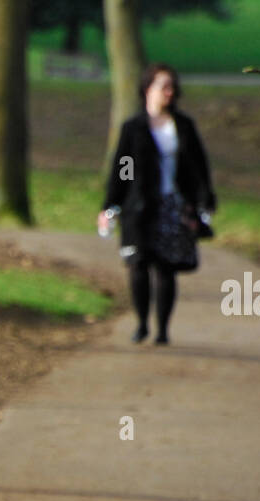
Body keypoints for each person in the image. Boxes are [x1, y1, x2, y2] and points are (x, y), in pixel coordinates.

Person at [99, 63, 215, 345]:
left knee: (166, 267)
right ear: (147, 89)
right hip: (138, 207)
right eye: (163, 86)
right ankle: (141, 324)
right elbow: (121, 168)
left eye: (172, 87)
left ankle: (162, 329)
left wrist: (203, 202)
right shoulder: (133, 128)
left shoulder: (183, 127)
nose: (169, 92)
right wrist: (111, 204)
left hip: (173, 206)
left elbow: (199, 167)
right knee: (138, 264)